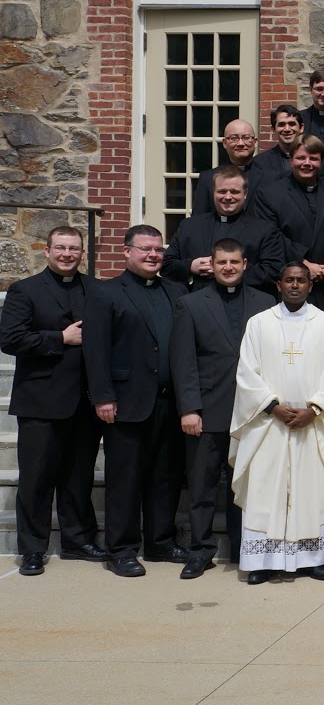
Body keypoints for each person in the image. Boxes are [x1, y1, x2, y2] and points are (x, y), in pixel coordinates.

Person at [229, 263, 324, 585]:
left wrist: (315, 408)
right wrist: (272, 406)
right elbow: (246, 372)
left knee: (312, 490)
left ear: (310, 285)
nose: (295, 285)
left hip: (313, 425)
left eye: (301, 280)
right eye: (289, 280)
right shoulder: (259, 324)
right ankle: (261, 561)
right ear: (278, 285)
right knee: (265, 489)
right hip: (268, 424)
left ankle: (312, 559)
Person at [1, 226, 106, 575]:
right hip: (41, 401)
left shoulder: (96, 289)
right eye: (60, 248)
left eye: (73, 248)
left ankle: (78, 541)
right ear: (46, 251)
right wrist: (60, 338)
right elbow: (11, 339)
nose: (67, 254)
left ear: (82, 253)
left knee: (78, 477)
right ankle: (33, 549)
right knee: (37, 479)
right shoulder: (25, 290)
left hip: (85, 400)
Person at [85, 225, 188, 577]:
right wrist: (103, 396)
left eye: (158, 249)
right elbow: (95, 349)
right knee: (125, 480)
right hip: (126, 402)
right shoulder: (105, 292)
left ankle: (160, 542)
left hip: (169, 403)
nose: (153, 255)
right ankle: (121, 549)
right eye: (145, 249)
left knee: (165, 478)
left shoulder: (175, 290)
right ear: (126, 252)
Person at [170, 239, 274, 578]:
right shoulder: (190, 304)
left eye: (234, 262)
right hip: (208, 409)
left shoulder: (265, 302)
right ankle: (200, 550)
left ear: (245, 264)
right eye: (221, 262)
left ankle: (245, 550)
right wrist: (189, 409)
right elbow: (183, 361)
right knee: (202, 486)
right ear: (211, 266)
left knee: (246, 486)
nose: (228, 267)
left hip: (252, 411)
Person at [254, 136, 324, 312]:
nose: (307, 163)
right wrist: (303, 263)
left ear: (321, 161)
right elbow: (271, 237)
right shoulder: (269, 193)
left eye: (313, 158)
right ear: (291, 159)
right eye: (301, 158)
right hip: (289, 284)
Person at [162, 167, 286, 293]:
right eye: (222, 191)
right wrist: (190, 266)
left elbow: (273, 270)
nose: (228, 197)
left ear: (245, 194)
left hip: (244, 299)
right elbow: (166, 265)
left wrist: (228, 272)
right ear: (213, 192)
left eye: (234, 192)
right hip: (196, 299)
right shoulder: (189, 226)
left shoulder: (264, 230)